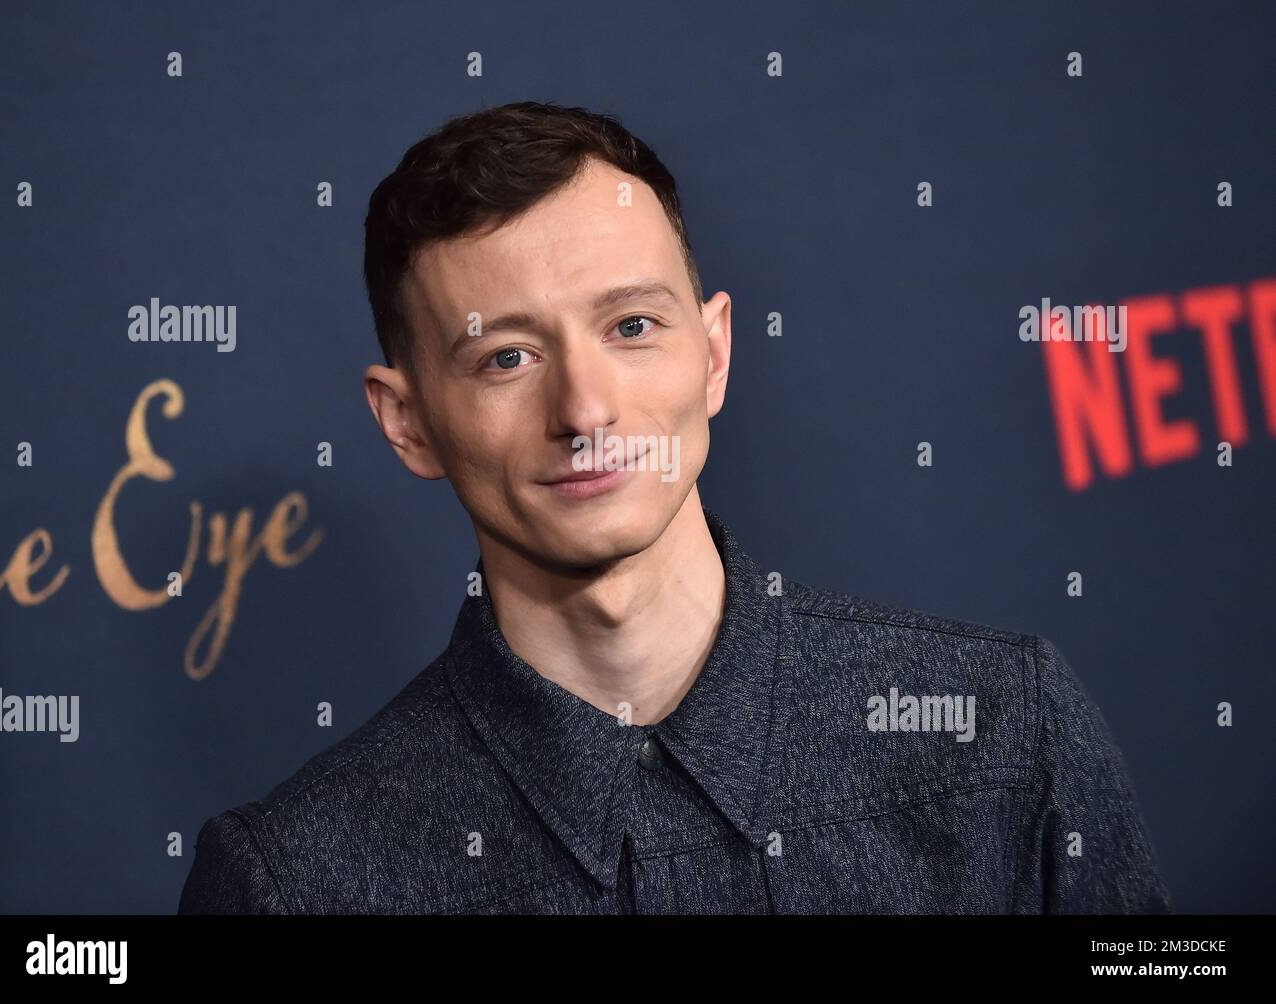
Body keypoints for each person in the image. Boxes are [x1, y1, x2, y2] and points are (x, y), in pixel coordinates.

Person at [178, 101, 1171, 914]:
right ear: (409, 425)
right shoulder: (297, 880)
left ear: (715, 352)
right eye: (506, 357)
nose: (584, 409)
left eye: (633, 325)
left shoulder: (1001, 731)